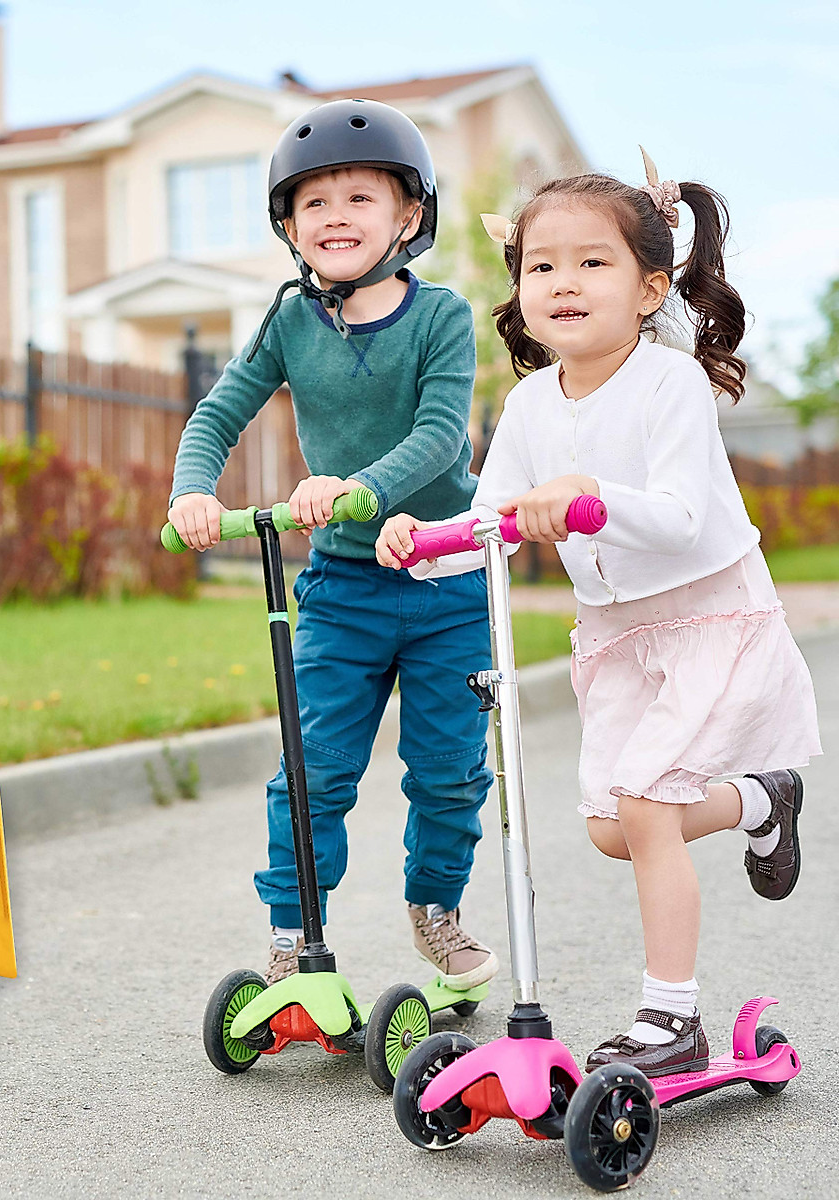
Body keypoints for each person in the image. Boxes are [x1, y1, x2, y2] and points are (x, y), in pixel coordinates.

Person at [377, 151, 821, 1076]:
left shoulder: (671, 385)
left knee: (648, 806)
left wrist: (587, 495)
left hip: (708, 617)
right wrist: (425, 540)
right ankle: (757, 800)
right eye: (541, 266)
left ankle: (671, 1016)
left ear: (651, 287)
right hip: (617, 635)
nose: (562, 283)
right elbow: (490, 519)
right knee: (611, 827)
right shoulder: (531, 401)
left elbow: (681, 518)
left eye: (592, 263)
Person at [168, 98, 500, 991]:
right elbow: (218, 412)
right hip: (344, 592)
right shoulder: (289, 322)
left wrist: (358, 491)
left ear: (408, 217)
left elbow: (441, 437)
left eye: (361, 197)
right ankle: (295, 933)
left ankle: (436, 908)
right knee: (313, 769)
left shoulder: (440, 316)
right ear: (290, 226)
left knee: (445, 770)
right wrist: (192, 490)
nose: (336, 216)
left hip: (445, 582)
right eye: (314, 202)